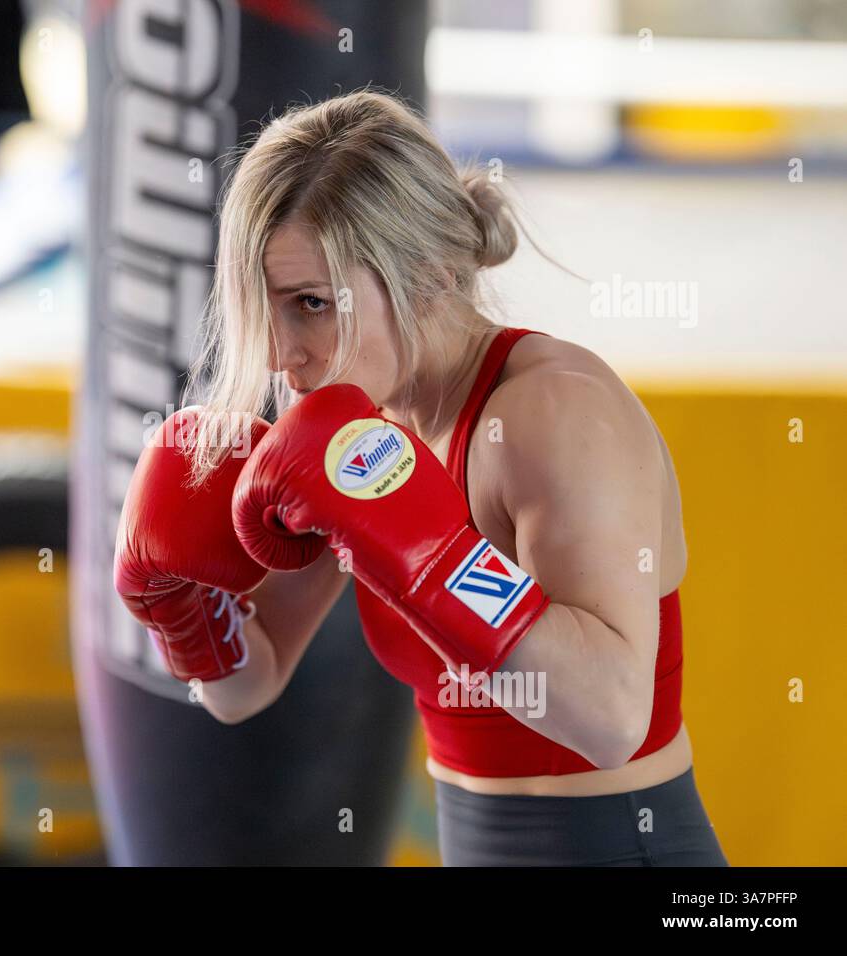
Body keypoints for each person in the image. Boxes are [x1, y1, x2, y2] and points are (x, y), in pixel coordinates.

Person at [114, 89, 726, 866]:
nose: (278, 353)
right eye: (264, 310)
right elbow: (247, 686)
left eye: (310, 304)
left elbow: (610, 719)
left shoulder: (553, 413)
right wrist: (188, 614)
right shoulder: (361, 426)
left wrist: (430, 554)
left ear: (431, 276)